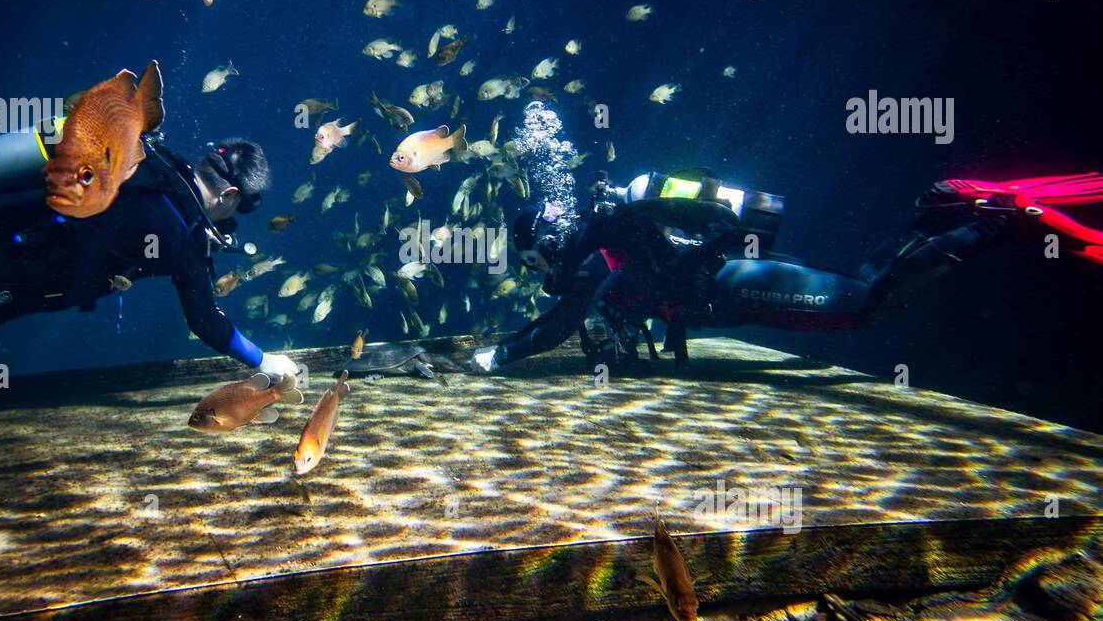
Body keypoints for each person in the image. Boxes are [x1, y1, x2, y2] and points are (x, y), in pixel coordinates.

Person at [0, 135, 298, 404]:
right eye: (238, 211)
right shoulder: (179, 232)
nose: (230, 224)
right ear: (230, 195)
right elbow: (206, 322)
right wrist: (263, 360)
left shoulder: (145, 162)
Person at [470, 168, 1103, 374]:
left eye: (532, 258)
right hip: (738, 277)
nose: (537, 270)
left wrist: (497, 357)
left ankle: (1001, 219)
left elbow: (556, 325)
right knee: (860, 282)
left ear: (547, 239)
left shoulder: (592, 248)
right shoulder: (607, 237)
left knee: (869, 303)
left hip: (736, 283)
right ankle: (935, 210)